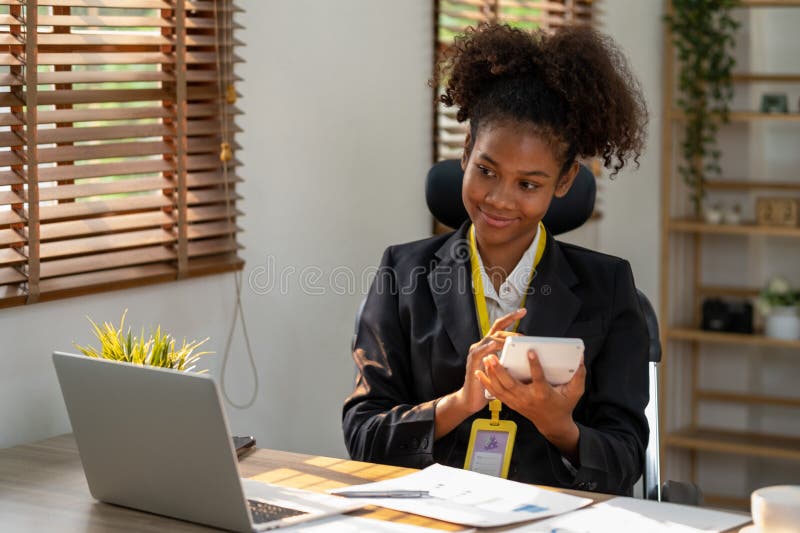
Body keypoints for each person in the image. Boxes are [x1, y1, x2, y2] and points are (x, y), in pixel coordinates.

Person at [342, 23, 649, 495]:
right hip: (434, 518)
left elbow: (625, 461)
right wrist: (459, 403)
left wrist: (559, 425)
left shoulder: (607, 287)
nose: (500, 199)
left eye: (528, 184)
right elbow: (364, 437)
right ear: (465, 153)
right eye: (486, 171)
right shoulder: (403, 274)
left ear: (564, 182)